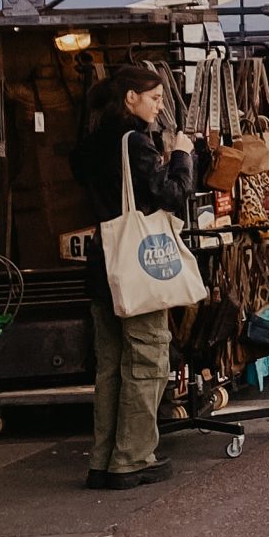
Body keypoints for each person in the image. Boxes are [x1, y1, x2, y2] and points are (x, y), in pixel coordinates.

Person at [71, 61, 193, 489]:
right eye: (155, 99)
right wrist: (181, 157)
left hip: (103, 265)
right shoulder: (134, 144)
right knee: (146, 358)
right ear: (131, 98)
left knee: (110, 365)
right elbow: (171, 195)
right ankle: (133, 457)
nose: (160, 108)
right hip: (136, 267)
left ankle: (103, 459)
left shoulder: (90, 142)